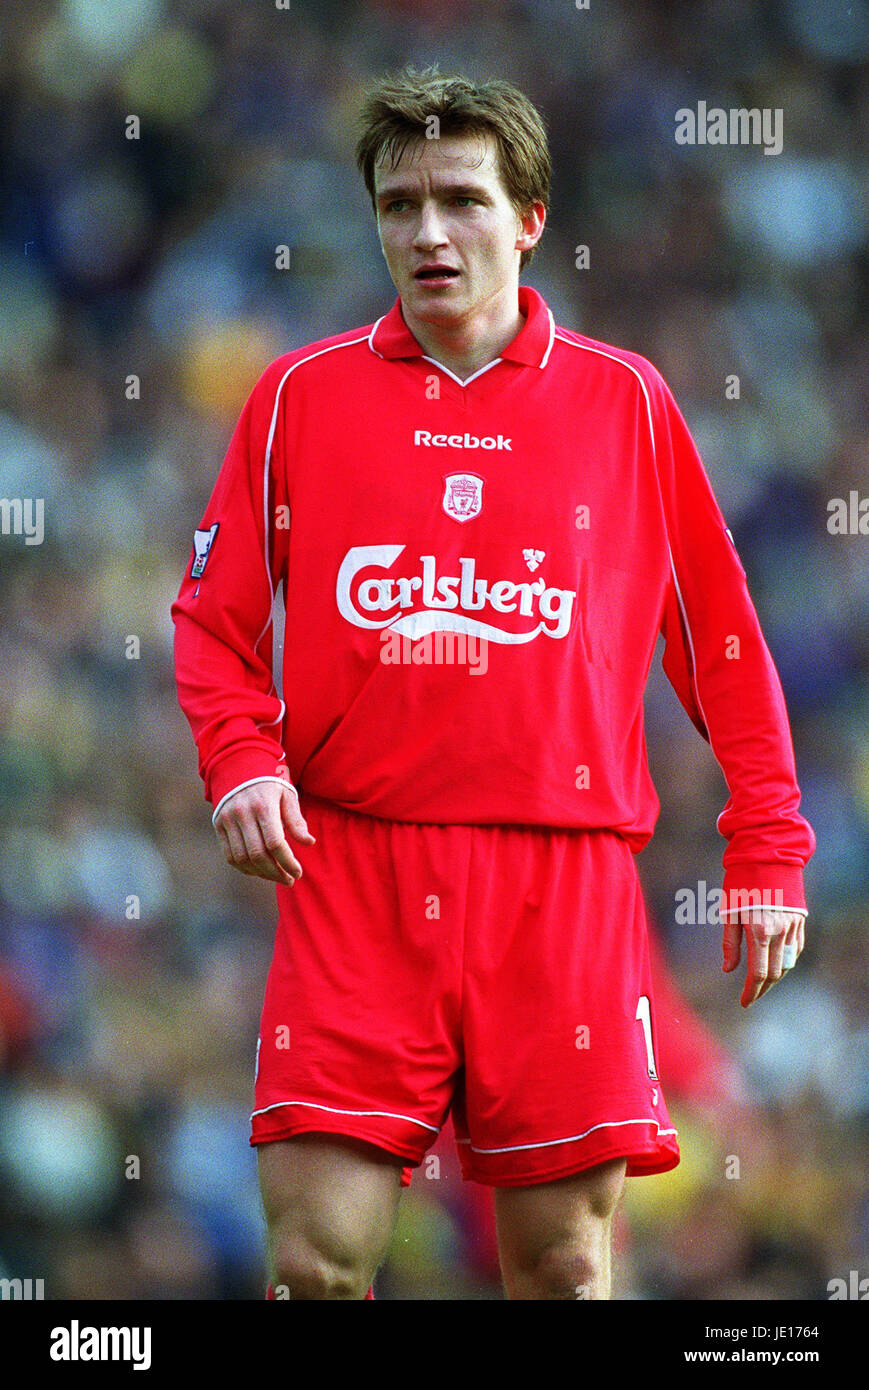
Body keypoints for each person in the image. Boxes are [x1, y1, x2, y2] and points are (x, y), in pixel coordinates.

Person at [171, 65, 815, 1300]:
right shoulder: (298, 395)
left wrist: (767, 846)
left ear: (527, 218)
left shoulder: (623, 400)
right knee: (314, 1262)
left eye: (460, 199)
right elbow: (211, 624)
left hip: (560, 881)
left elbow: (721, 639)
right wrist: (242, 760)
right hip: (353, 868)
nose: (426, 233)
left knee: (564, 1267)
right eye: (398, 202)